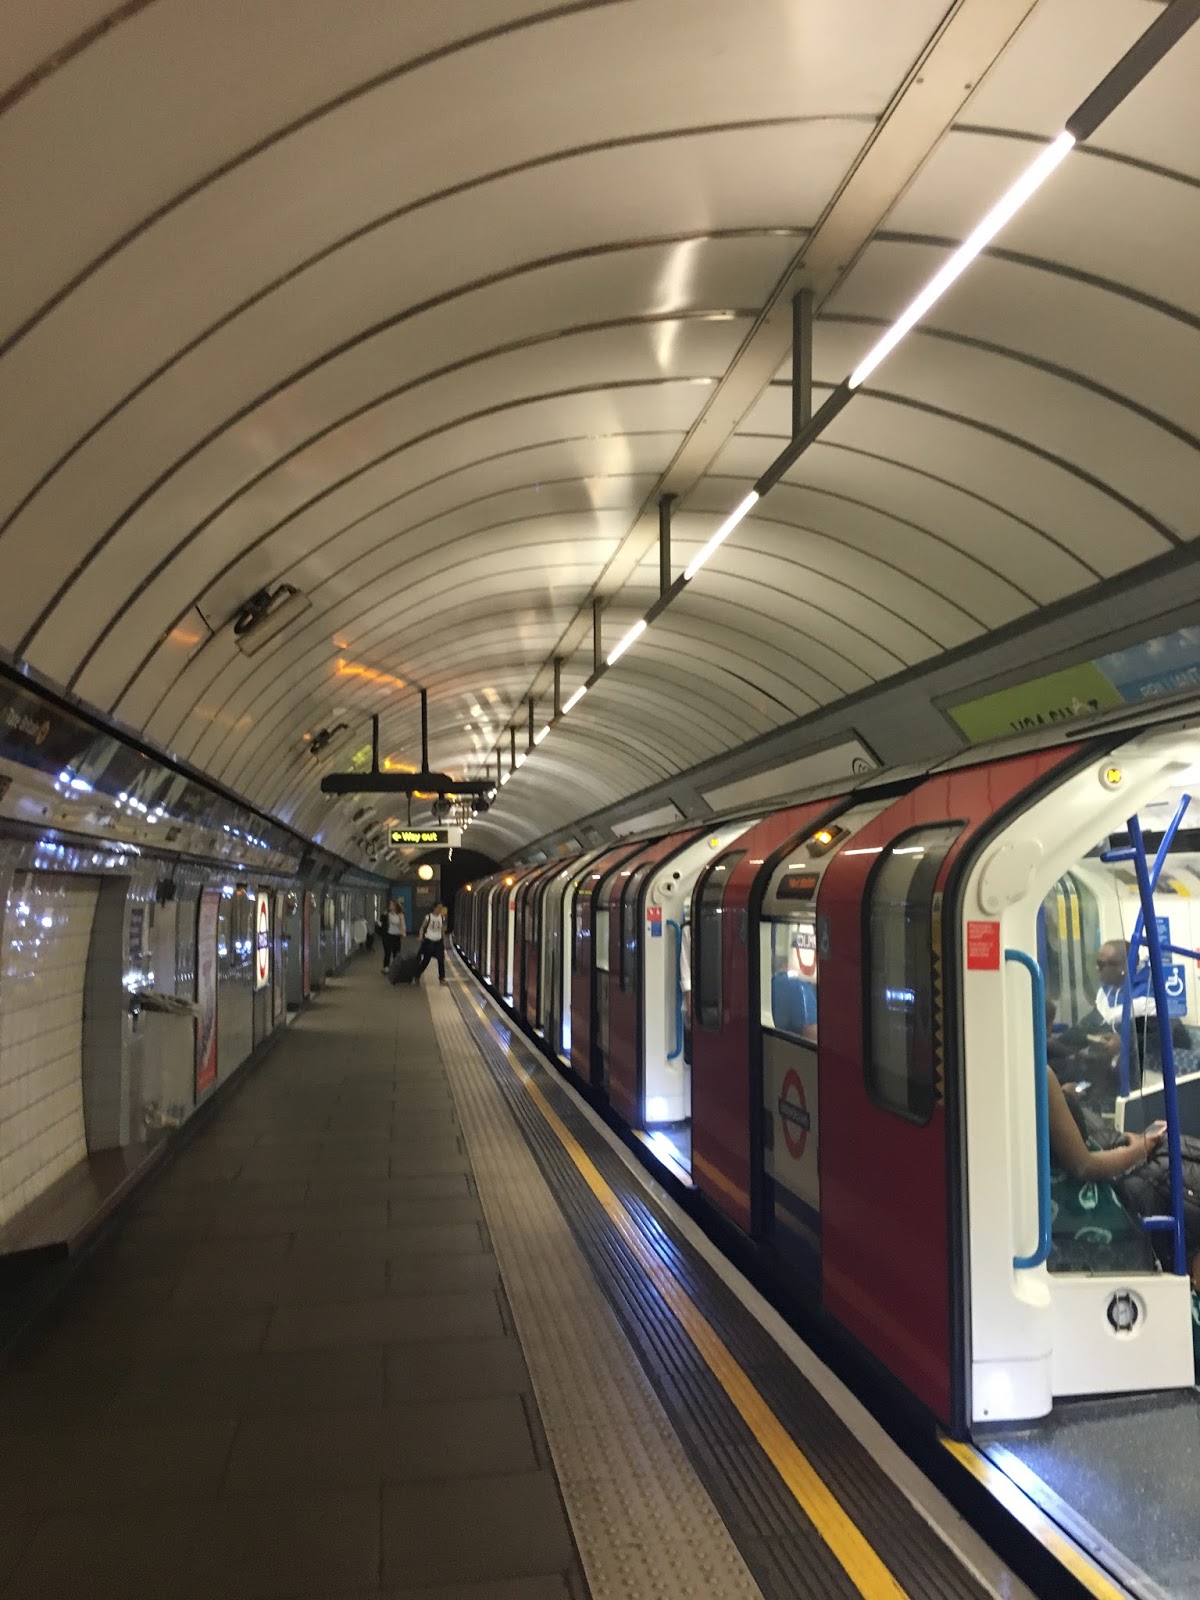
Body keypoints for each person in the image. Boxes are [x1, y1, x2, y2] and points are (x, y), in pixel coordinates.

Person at [414, 902, 448, 985]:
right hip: (429, 941)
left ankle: (442, 978)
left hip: (438, 941)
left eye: (441, 908)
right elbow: (422, 927)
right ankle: (417, 975)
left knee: (441, 959)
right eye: (439, 907)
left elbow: (442, 929)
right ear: (434, 908)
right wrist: (421, 936)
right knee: (426, 960)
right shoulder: (428, 917)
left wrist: (443, 939)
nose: (440, 909)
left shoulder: (441, 917)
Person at [381, 899, 406, 973]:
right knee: (387, 951)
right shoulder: (387, 914)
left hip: (396, 935)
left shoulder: (400, 914)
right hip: (388, 935)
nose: (390, 906)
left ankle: (396, 967)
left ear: (396, 906)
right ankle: (386, 967)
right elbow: (382, 923)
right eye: (390, 905)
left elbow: (402, 924)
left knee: (396, 952)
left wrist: (403, 932)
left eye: (392, 905)